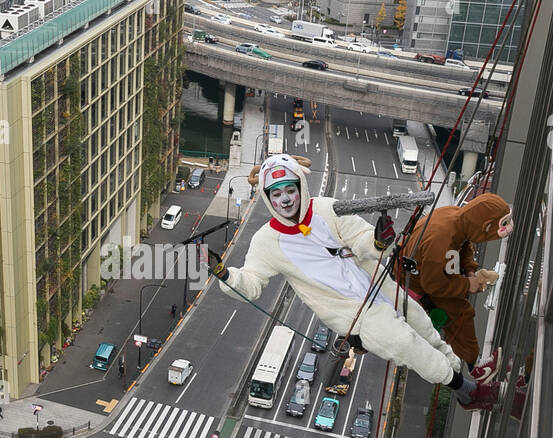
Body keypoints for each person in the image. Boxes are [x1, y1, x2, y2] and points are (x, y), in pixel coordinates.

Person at [212, 153, 498, 410]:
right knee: (407, 345)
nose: (285, 199)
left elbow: (360, 238)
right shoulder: (266, 242)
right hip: (354, 315)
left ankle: (462, 378)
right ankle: (469, 391)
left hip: (379, 286)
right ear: (267, 198)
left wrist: (377, 241)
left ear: (301, 187)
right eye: (276, 194)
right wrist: (227, 274)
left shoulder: (326, 209)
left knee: (425, 327)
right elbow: (251, 284)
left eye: (290, 190)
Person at [394, 192, 512, 369]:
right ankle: (474, 365)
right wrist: (466, 284)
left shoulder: (456, 216)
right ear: (485, 226)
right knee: (461, 312)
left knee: (457, 308)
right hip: (418, 284)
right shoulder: (440, 239)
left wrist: (471, 271)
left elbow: (464, 245)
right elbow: (433, 284)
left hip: (428, 273)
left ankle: (468, 360)